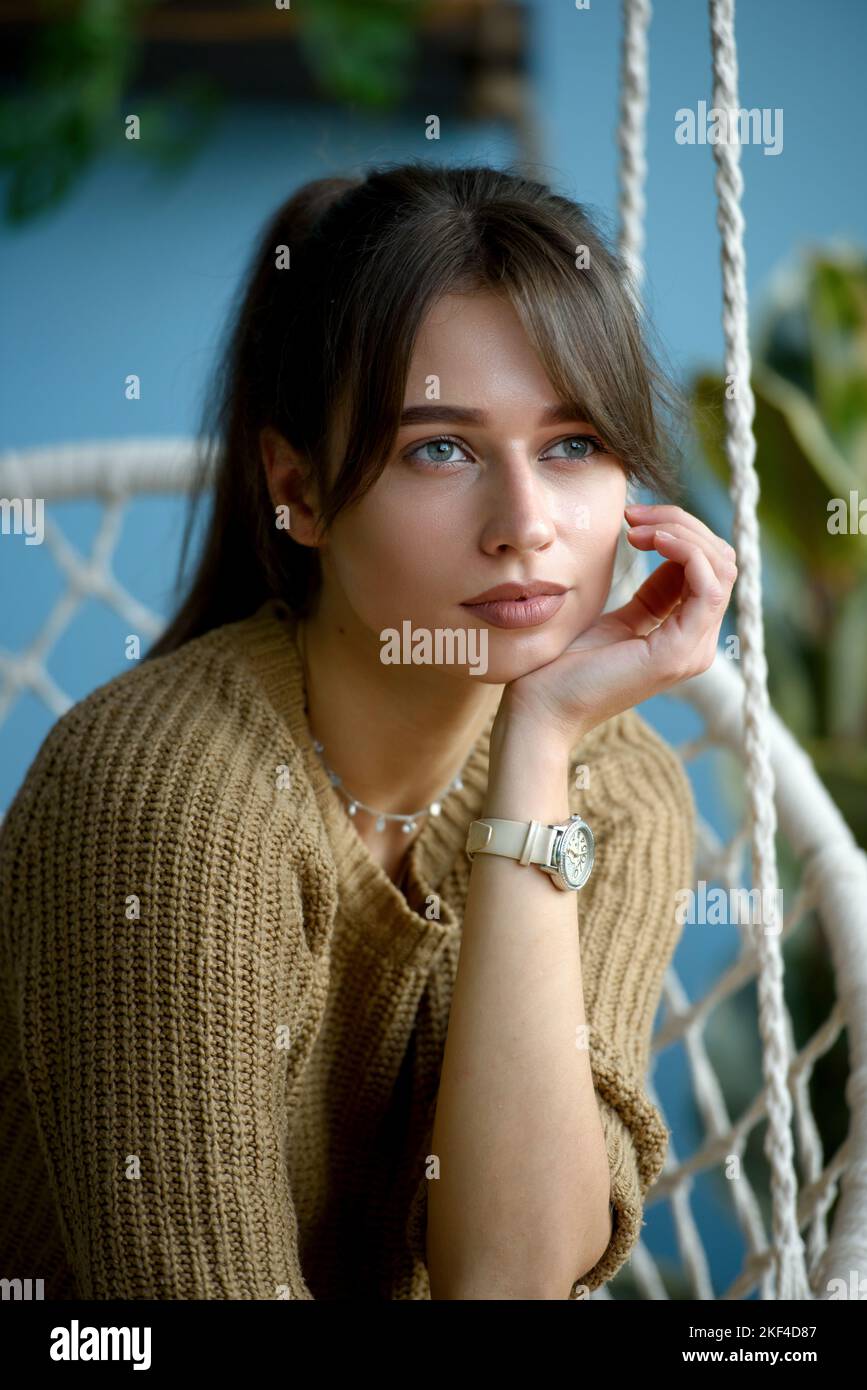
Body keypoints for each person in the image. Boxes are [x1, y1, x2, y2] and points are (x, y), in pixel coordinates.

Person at [0, 161, 736, 1300]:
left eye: (573, 443)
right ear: (296, 488)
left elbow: (511, 1278)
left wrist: (536, 751)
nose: (526, 527)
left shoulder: (615, 786)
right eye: (440, 448)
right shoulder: (170, 807)